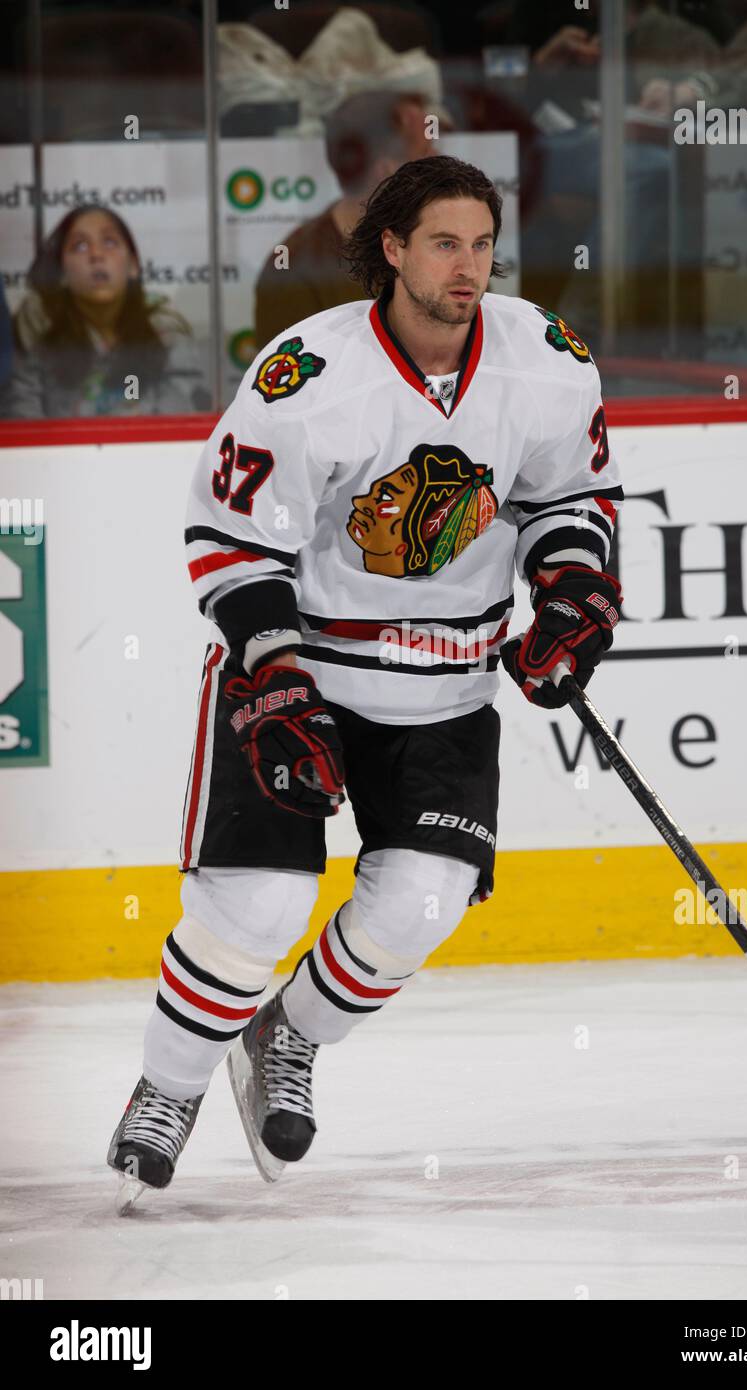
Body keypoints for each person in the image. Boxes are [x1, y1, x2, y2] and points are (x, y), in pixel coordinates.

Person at [106, 155, 624, 1204]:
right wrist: (274, 676)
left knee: (421, 904)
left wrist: (572, 592)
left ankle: (285, 1035)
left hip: (446, 687)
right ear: (391, 249)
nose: (468, 266)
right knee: (259, 903)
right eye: (443, 243)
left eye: (482, 244)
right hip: (303, 673)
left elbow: (572, 496)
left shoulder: (545, 358)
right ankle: (168, 1086)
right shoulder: (310, 375)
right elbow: (234, 540)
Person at [254, 89, 437, 348]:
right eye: (426, 151)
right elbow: (283, 370)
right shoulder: (293, 270)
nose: (438, 158)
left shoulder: (451, 246)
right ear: (387, 170)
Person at [8, 204, 208, 418]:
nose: (96, 254)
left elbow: (176, 425)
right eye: (80, 246)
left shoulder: (165, 335)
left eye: (110, 242)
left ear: (133, 265)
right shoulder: (40, 337)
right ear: (62, 272)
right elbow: (24, 421)